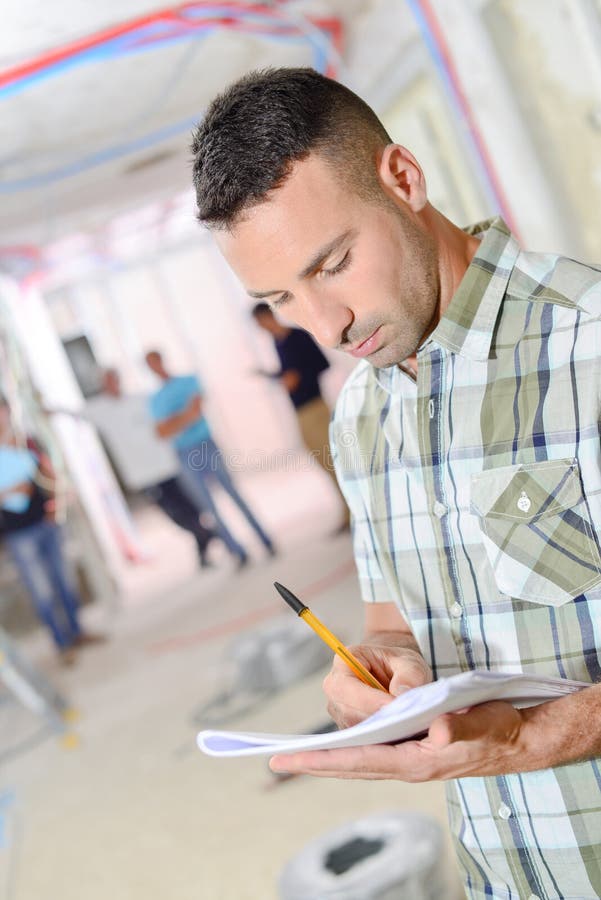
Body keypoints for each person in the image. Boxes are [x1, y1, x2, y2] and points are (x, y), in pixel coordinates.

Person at [190, 67, 601, 898]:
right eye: (278, 300)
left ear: (403, 179)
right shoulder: (361, 421)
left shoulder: (587, 347)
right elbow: (394, 628)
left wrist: (531, 741)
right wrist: (375, 671)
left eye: (333, 263)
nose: (325, 325)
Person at [145, 350, 275, 569]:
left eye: (155, 361)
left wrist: (175, 422)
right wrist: (184, 416)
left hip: (206, 445)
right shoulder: (155, 399)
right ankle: (237, 552)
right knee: (208, 507)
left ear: (162, 359)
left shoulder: (189, 381)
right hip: (184, 454)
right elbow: (162, 432)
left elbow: (189, 416)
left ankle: (265, 540)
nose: (154, 367)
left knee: (234, 494)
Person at [0, 398, 104, 665]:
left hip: (46, 522)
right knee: (42, 591)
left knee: (64, 582)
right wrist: (12, 491)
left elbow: (51, 474)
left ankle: (77, 631)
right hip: (18, 533)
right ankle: (61, 643)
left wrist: (54, 504)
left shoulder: (29, 442)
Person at [86, 368, 217, 568]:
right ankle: (206, 535)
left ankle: (205, 540)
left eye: (113, 379)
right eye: (106, 381)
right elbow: (71, 411)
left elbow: (166, 415)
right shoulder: (100, 410)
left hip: (168, 467)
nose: (111, 384)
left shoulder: (141, 400)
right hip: (144, 476)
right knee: (176, 516)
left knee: (192, 508)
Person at [251, 303, 350, 531]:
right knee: (323, 461)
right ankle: (348, 508)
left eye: (259, 322)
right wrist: (280, 376)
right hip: (301, 410)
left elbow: (321, 365)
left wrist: (297, 378)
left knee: (332, 459)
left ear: (267, 317)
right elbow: (290, 375)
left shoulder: (296, 336)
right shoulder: (278, 343)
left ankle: (355, 510)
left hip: (315, 406)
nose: (260, 328)